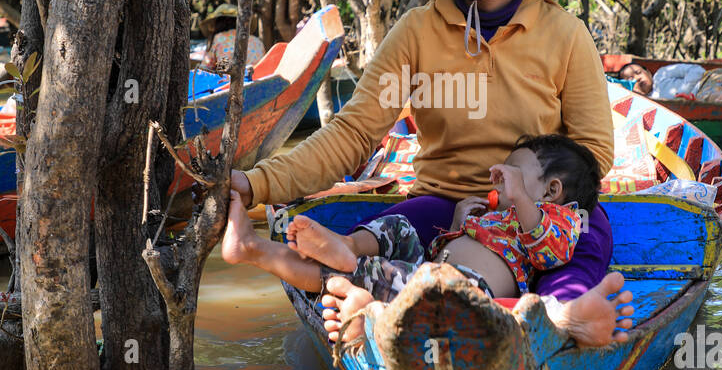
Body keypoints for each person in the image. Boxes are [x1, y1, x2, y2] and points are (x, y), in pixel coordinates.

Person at [225, 0, 634, 346]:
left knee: (588, 231)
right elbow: (354, 134)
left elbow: (592, 151)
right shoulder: (416, 31)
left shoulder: (566, 33)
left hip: (542, 203)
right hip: (441, 202)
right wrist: (256, 183)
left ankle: (565, 312)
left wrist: (526, 197)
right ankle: (364, 295)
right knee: (375, 234)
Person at [224, 135, 600, 339]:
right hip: (426, 271)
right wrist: (457, 224)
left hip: (461, 293)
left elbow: (549, 250)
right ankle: (344, 248)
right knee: (401, 229)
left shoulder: (559, 221)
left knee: (357, 277)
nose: (502, 178)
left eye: (515, 171)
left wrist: (518, 196)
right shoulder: (497, 215)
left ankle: (266, 253)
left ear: (551, 190)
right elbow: (446, 248)